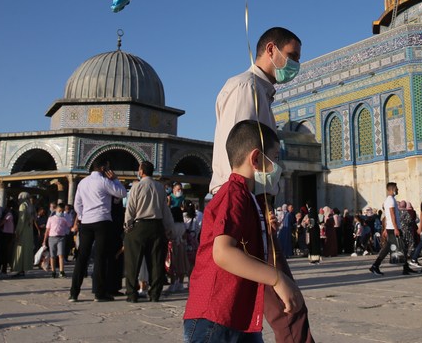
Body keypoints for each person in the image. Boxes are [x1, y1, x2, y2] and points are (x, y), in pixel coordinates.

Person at [210, 26, 314, 343]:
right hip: (244, 208)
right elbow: (239, 157)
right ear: (271, 50)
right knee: (288, 307)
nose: (295, 64)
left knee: (240, 313)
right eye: (292, 56)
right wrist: (254, 208)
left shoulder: (260, 92)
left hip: (250, 206)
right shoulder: (246, 89)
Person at [183, 120, 304, 342]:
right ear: (256, 158)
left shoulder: (248, 197)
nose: (279, 166)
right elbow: (223, 253)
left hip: (239, 316)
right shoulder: (233, 194)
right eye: (275, 158)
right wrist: (277, 279)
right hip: (215, 318)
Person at [69, 159, 127, 302]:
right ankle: (99, 293)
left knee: (82, 257)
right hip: (101, 221)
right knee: (100, 257)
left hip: (86, 222)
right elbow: (122, 193)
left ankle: (74, 293)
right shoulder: (104, 181)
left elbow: (77, 204)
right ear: (102, 168)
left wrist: (83, 216)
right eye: (107, 167)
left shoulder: (83, 182)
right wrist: (116, 180)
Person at [123, 160, 173, 303]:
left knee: (133, 262)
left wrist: (127, 226)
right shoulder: (160, 187)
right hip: (157, 226)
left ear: (141, 171)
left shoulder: (136, 187)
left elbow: (130, 208)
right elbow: (165, 210)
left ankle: (132, 293)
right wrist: (169, 228)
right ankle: (155, 293)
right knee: (156, 262)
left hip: (139, 226)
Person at [369, 182, 415, 276]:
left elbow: (387, 216)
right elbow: (392, 214)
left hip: (391, 228)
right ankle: (375, 266)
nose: (398, 190)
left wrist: (386, 228)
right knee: (400, 247)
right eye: (396, 188)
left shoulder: (389, 200)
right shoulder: (391, 200)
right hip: (394, 228)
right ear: (392, 190)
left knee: (396, 247)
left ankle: (405, 268)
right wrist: (396, 228)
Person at [44, 202, 70, 278]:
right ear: (56, 209)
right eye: (59, 210)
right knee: (52, 255)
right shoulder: (51, 218)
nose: (60, 212)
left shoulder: (64, 218)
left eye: (62, 211)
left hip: (61, 237)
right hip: (52, 238)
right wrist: (44, 240)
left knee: (61, 254)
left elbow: (69, 225)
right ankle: (53, 271)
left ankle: (61, 271)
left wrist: (66, 215)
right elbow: (47, 230)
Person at [12, 192, 35, 277]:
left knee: (20, 250)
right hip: (29, 231)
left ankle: (19, 268)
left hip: (23, 230)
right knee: (26, 250)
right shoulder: (30, 205)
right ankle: (24, 268)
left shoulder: (23, 205)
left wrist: (18, 231)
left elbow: (21, 220)